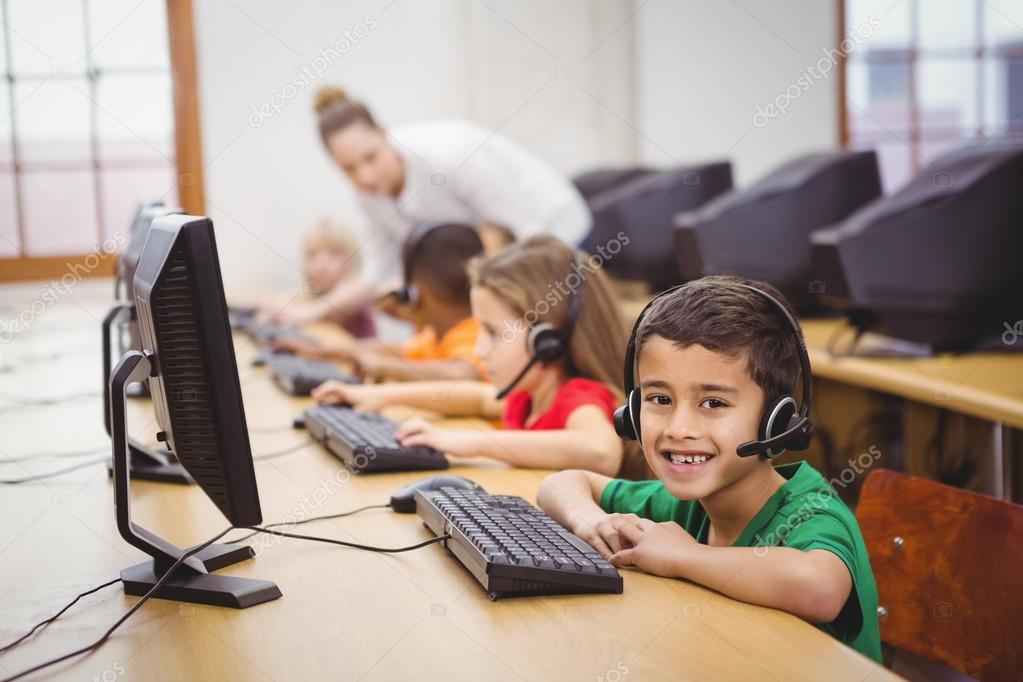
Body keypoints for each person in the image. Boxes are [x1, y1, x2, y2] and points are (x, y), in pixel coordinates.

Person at [535, 277, 882, 662]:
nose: (679, 428)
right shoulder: (687, 504)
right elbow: (563, 482)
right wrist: (589, 523)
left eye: (713, 403)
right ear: (632, 412)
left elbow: (817, 587)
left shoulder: (810, 514)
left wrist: (682, 556)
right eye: (660, 398)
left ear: (776, 421)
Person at [311, 236, 647, 479]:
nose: (477, 349)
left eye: (493, 332)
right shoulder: (531, 397)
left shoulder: (580, 397)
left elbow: (600, 452)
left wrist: (470, 443)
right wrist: (378, 395)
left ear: (547, 341)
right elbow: (478, 399)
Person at [305, 86, 591, 314]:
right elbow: (377, 271)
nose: (365, 176)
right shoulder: (368, 191)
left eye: (370, 157)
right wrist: (309, 312)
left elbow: (527, 230)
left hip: (553, 225)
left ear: (384, 134)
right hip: (500, 250)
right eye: (349, 169)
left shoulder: (448, 156)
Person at [274, 222, 485, 382]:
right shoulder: (434, 336)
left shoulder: (472, 331)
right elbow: (387, 350)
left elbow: (461, 373)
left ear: (415, 293)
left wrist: (384, 368)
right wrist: (322, 352)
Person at [256, 217, 375, 335]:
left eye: (334, 254)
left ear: (351, 259)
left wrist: (310, 311)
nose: (321, 265)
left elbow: (360, 291)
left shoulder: (353, 292)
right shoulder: (314, 292)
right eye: (312, 255)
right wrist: (276, 312)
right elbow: (281, 300)